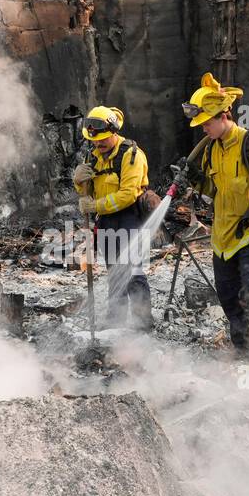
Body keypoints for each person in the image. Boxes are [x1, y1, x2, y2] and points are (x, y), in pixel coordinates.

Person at [182, 73, 249, 355]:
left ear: (222, 116)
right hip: (223, 238)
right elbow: (215, 192)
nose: (203, 129)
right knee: (230, 300)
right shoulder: (212, 152)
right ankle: (246, 355)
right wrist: (195, 179)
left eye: (206, 123)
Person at [72, 105, 153, 330]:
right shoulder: (93, 155)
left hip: (131, 218)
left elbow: (127, 195)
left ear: (114, 132)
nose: (98, 144)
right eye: (94, 140)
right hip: (107, 220)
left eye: (103, 139)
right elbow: (88, 192)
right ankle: (115, 321)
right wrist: (78, 182)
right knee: (115, 272)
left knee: (133, 270)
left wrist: (95, 205)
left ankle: (142, 323)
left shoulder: (131, 155)